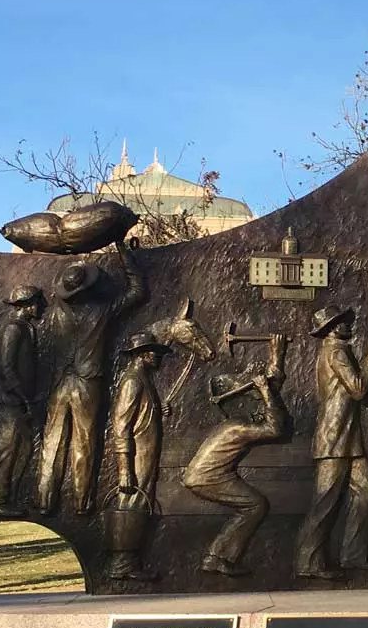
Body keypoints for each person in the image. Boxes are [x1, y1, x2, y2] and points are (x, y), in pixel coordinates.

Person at [37, 240, 149, 517]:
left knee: (52, 443)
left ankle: (43, 501)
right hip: (87, 382)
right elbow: (137, 291)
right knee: (83, 443)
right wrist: (123, 250)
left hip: (59, 383)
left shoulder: (53, 313)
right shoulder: (102, 310)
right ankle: (82, 503)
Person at [294, 306, 368, 578]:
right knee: (324, 503)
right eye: (343, 321)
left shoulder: (336, 349)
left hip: (348, 438)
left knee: (367, 492)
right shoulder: (336, 350)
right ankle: (308, 563)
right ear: (332, 327)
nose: (348, 324)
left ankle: (353, 555)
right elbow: (358, 388)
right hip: (334, 439)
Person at [184, 371, 288, 577]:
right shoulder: (237, 427)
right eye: (255, 406)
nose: (259, 410)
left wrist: (277, 355)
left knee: (253, 505)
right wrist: (266, 391)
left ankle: (215, 558)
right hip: (207, 478)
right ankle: (219, 558)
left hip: (212, 475)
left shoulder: (232, 423)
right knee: (255, 505)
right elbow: (274, 429)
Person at [105, 331, 171, 581]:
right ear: (142, 354)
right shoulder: (132, 381)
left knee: (141, 504)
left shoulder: (143, 379)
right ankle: (121, 565)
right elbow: (121, 426)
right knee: (131, 505)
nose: (159, 358)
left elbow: (141, 414)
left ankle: (129, 562)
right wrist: (124, 468)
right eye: (155, 352)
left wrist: (157, 408)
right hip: (135, 457)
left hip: (145, 454)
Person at [0, 285, 45, 518]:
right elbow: (7, 367)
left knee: (22, 449)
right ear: (26, 305)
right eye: (38, 303)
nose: (41, 307)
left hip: (21, 399)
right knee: (6, 448)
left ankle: (7, 497)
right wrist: (23, 397)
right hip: (9, 400)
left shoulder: (27, 328)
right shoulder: (13, 329)